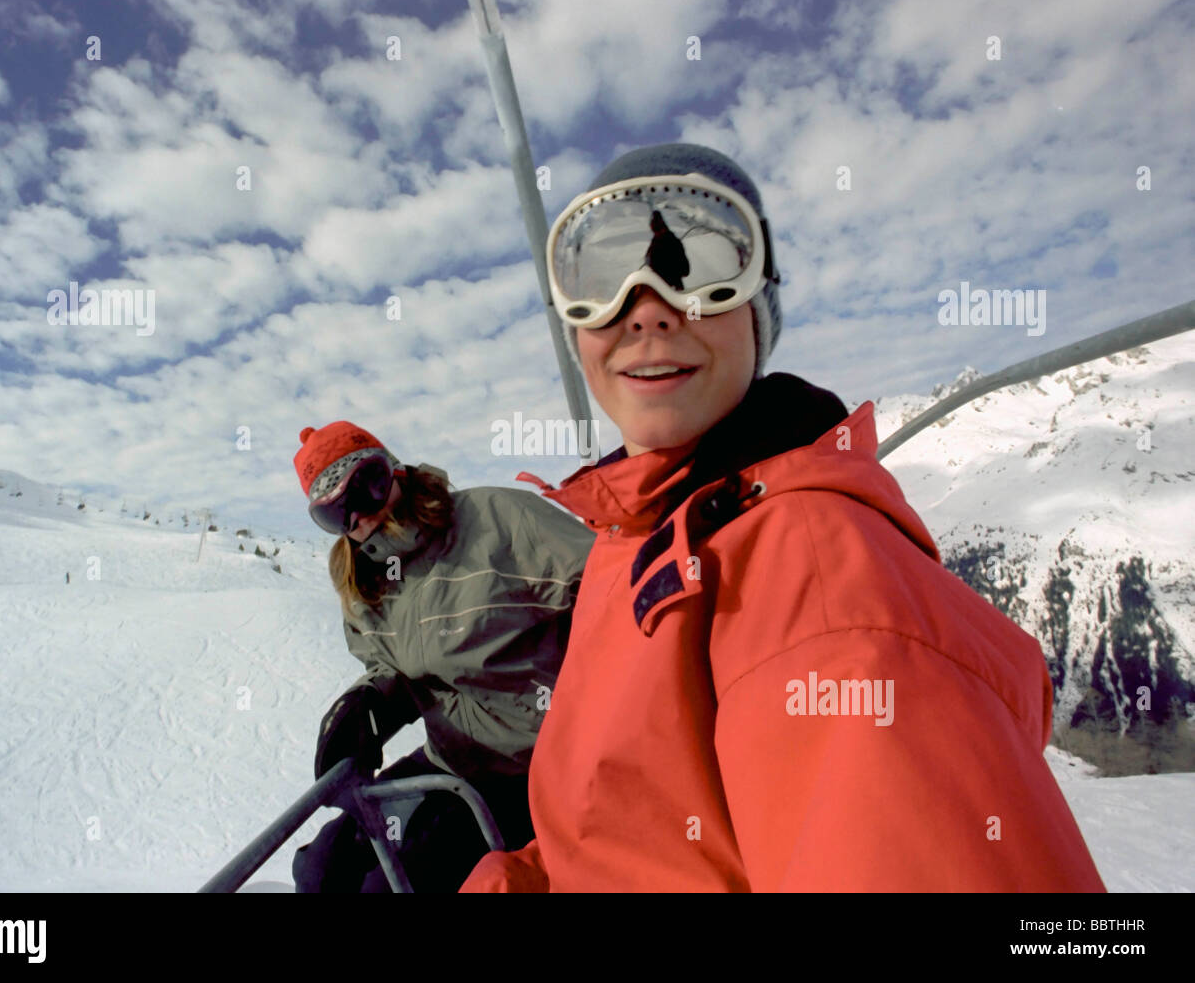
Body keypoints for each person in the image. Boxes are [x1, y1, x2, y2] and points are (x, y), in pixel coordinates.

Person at [460, 142, 1107, 892]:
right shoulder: (638, 531)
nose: (645, 311)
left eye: (698, 269)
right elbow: (612, 841)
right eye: (598, 277)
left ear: (761, 306)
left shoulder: (820, 587)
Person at [290, 420, 593, 892]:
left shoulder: (498, 522)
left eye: (366, 488)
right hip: (453, 762)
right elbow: (390, 667)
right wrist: (369, 704)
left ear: (394, 472)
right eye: (337, 515)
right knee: (320, 869)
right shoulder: (366, 583)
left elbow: (608, 589)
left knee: (392, 884)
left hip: (536, 768)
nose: (361, 519)